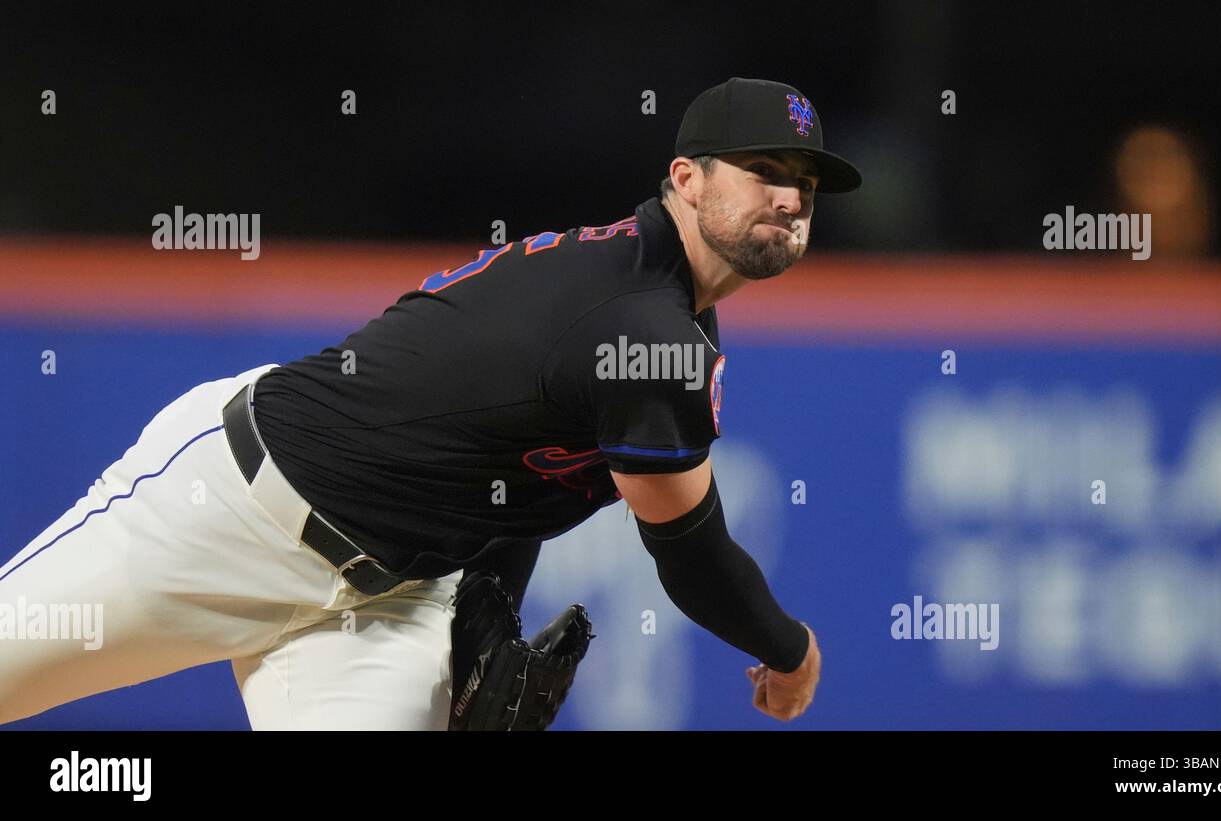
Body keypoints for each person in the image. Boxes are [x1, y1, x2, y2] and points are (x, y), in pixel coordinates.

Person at [0, 77, 861, 728]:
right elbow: (693, 555)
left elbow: (518, 463)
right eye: (763, 171)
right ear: (686, 178)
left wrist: (486, 606)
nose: (790, 198)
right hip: (229, 512)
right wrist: (790, 652)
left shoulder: (656, 305)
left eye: (806, 184)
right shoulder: (643, 324)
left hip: (389, 602)